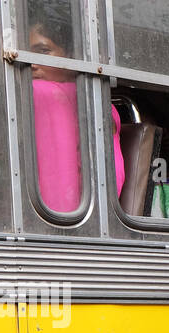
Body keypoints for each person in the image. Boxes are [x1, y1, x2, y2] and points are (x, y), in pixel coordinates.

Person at [27, 14, 124, 210]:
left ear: (72, 56)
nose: (31, 64)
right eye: (26, 54)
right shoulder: (103, 105)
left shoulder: (41, 94)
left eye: (43, 51)